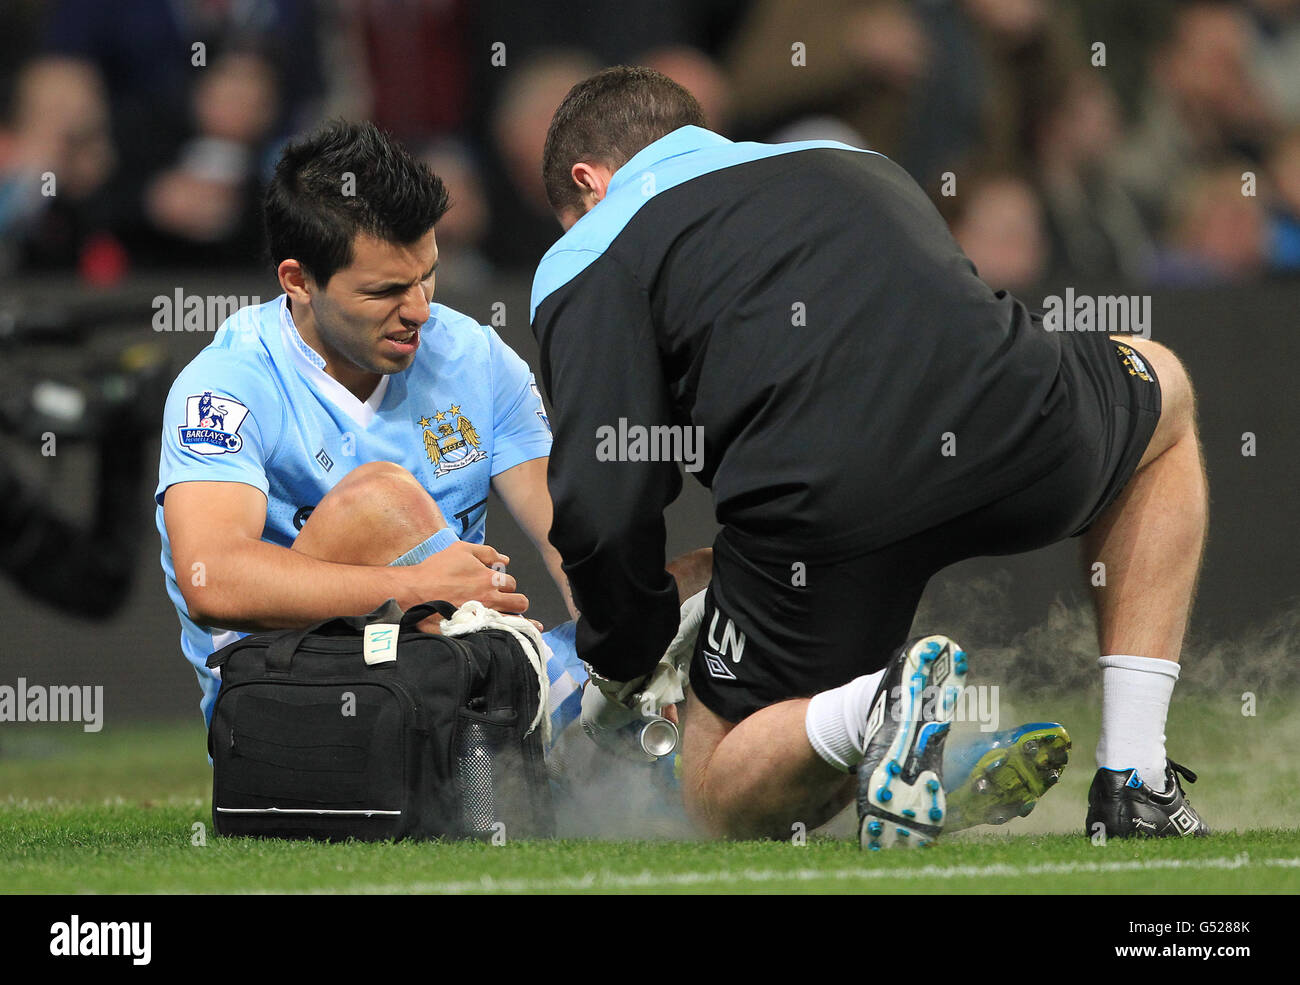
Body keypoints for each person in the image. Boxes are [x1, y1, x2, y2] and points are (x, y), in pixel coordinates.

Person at [530, 67, 1210, 845]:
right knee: (1166, 394)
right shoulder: (850, 157)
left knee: (719, 798)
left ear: (590, 180)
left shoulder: (590, 246)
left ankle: (873, 712)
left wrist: (622, 656)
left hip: (825, 501)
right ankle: (1135, 777)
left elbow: (601, 503)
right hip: (1007, 408)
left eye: (572, 216)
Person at [155, 119, 714, 741]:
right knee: (379, 501)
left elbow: (569, 541)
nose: (419, 308)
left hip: (451, 675)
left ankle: (591, 707)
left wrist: (621, 640)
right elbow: (213, 578)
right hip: (291, 706)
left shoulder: (475, 358)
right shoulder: (224, 387)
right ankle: (557, 711)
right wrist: (414, 586)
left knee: (712, 577)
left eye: (427, 274)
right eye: (386, 290)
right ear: (298, 280)